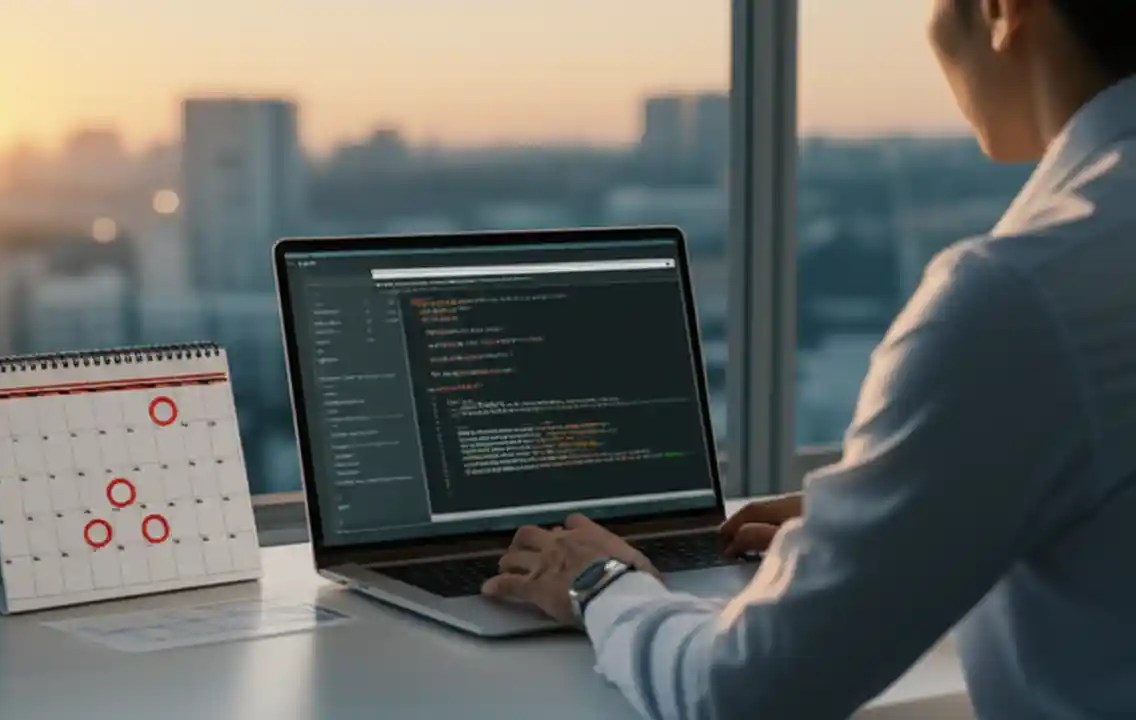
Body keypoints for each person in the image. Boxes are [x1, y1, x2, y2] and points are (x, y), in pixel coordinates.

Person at [481, 0, 1136, 717]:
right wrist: (914, 516)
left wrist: (601, 585)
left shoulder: (1021, 296)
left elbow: (741, 694)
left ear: (1003, 10)